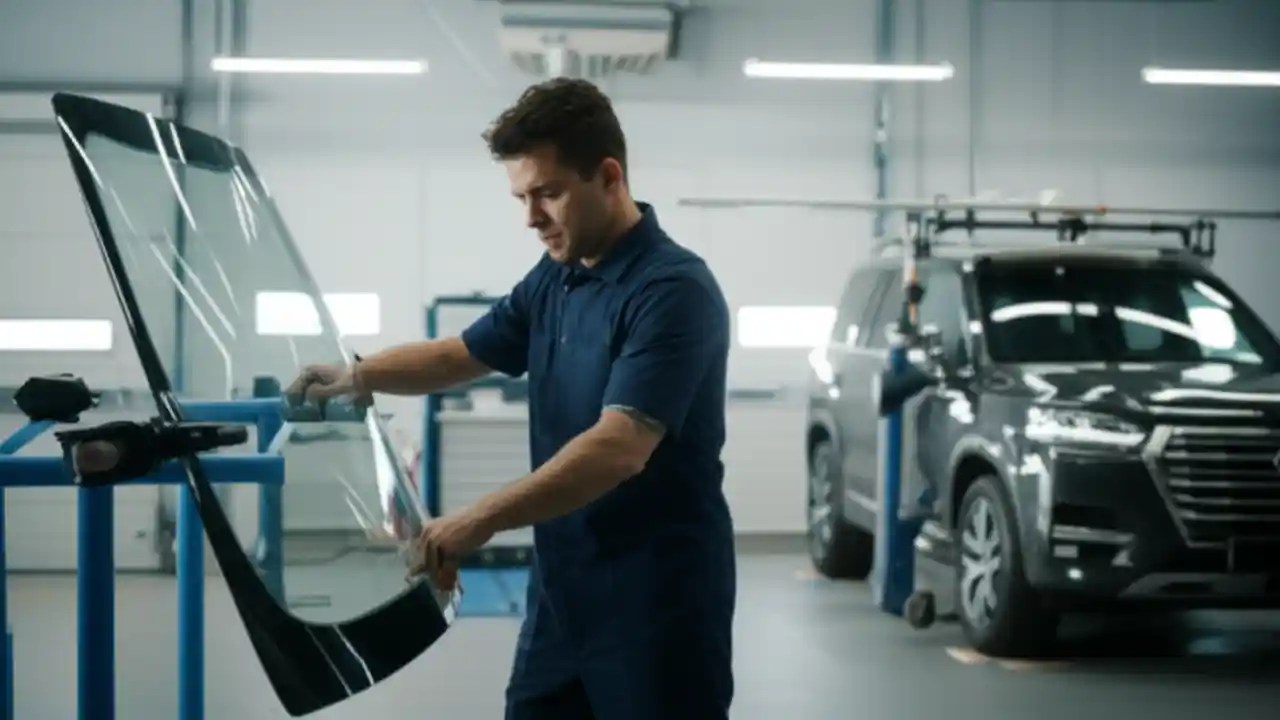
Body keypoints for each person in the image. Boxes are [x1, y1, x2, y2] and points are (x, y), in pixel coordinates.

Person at [288, 78, 735, 719]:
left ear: (609, 177)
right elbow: (462, 353)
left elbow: (619, 448)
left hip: (656, 607)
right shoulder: (556, 277)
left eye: (548, 193)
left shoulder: (671, 290)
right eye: (522, 197)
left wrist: (479, 519)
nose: (531, 217)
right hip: (560, 598)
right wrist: (359, 376)